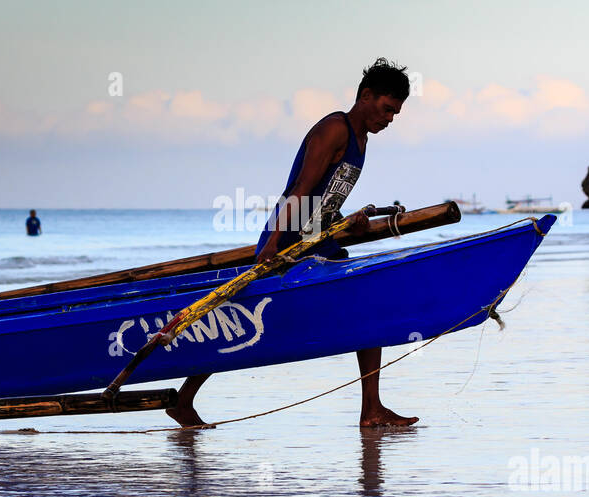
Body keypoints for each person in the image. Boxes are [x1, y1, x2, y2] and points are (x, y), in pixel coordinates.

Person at [166, 57, 418, 429]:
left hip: (318, 243)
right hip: (287, 242)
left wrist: (349, 225)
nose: (390, 119)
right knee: (243, 321)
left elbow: (324, 202)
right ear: (366, 96)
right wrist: (271, 248)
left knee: (366, 307)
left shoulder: (362, 141)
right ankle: (184, 399)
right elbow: (300, 190)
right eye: (386, 109)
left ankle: (371, 410)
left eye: (396, 113)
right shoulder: (336, 129)